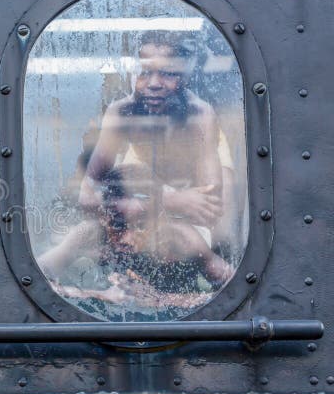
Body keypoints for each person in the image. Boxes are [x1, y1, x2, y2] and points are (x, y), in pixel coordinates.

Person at [38, 30, 234, 308]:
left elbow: (210, 210)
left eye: (167, 73)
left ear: (185, 76)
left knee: (220, 233)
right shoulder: (123, 112)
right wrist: (161, 200)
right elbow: (87, 196)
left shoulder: (199, 115)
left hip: (173, 198)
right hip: (146, 186)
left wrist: (166, 299)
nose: (153, 83)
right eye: (144, 72)